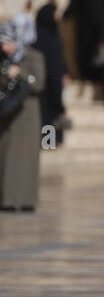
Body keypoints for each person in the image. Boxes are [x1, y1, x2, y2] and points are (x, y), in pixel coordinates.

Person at [0, 20, 46, 211]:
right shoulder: (4, 60)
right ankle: (7, 200)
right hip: (8, 116)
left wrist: (21, 74)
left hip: (27, 118)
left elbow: (38, 83)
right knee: (7, 160)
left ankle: (26, 200)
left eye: (7, 42)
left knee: (26, 161)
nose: (4, 47)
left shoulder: (34, 57)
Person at [31, 3, 67, 143]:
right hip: (49, 82)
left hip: (41, 83)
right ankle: (49, 143)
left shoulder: (36, 35)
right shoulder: (51, 39)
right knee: (49, 116)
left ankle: (47, 143)